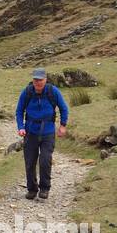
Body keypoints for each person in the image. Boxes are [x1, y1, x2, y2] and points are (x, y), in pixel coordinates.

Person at [15, 68, 69, 200]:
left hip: (48, 132)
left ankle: (45, 188)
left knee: (45, 160)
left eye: (40, 80)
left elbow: (64, 108)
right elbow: (19, 111)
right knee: (30, 162)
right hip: (30, 132)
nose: (38, 82)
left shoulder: (52, 91)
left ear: (45, 80)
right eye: (35, 80)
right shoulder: (27, 92)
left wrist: (62, 125)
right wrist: (21, 127)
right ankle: (32, 189)